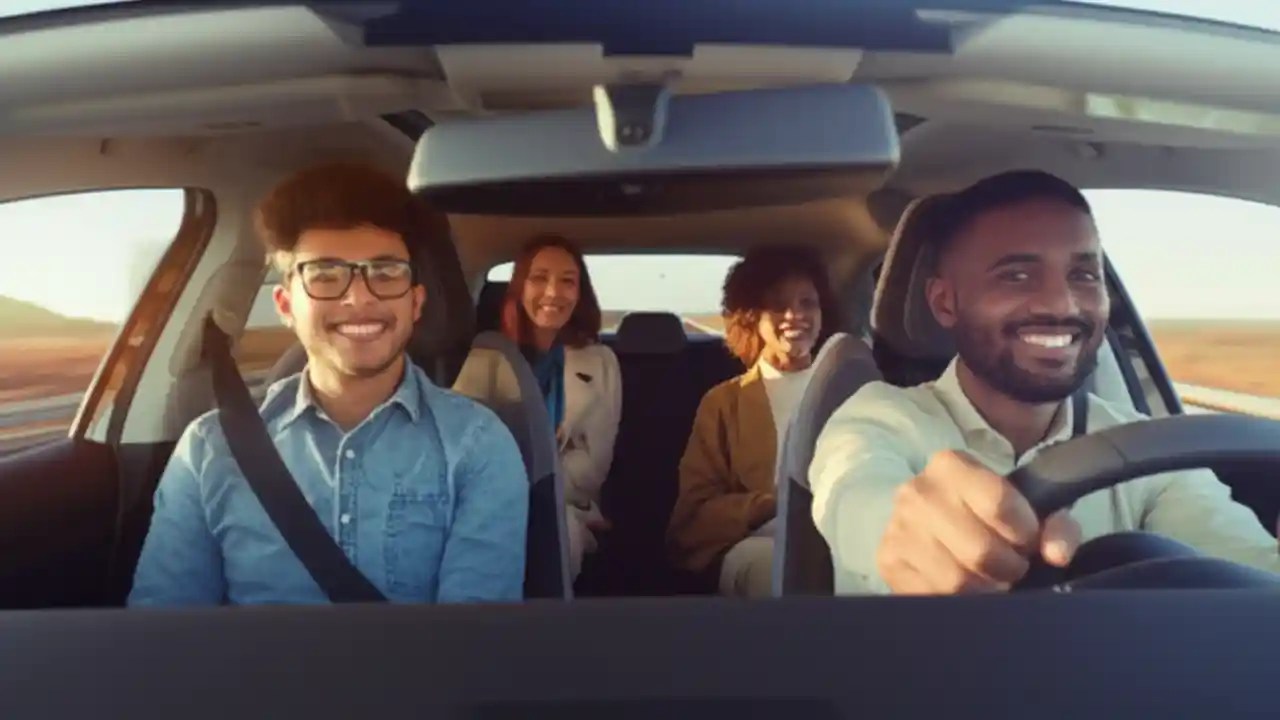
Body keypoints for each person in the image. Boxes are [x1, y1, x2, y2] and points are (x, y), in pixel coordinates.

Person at [810, 169, 1280, 596]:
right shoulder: (878, 416)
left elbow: (1246, 561)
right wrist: (905, 533)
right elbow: (853, 493)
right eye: (1016, 275)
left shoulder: (1144, 450)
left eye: (1083, 275)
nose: (1061, 303)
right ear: (945, 303)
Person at [128, 162, 529, 606]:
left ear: (416, 303)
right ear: (285, 304)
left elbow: (472, 647)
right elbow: (164, 638)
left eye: (386, 272)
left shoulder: (477, 447)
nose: (359, 298)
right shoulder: (208, 450)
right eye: (324, 275)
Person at [667, 245, 839, 597]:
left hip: (840, 533)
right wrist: (769, 504)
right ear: (752, 318)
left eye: (808, 303)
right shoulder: (724, 403)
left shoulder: (849, 391)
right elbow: (692, 520)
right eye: (778, 305)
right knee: (769, 567)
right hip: (762, 543)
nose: (795, 315)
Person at [499, 234, 621, 580]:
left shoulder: (600, 362)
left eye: (567, 281)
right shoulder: (489, 358)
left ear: (579, 294)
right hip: (494, 500)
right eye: (539, 279)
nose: (553, 292)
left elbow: (594, 463)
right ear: (520, 287)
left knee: (558, 528)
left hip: (567, 503)